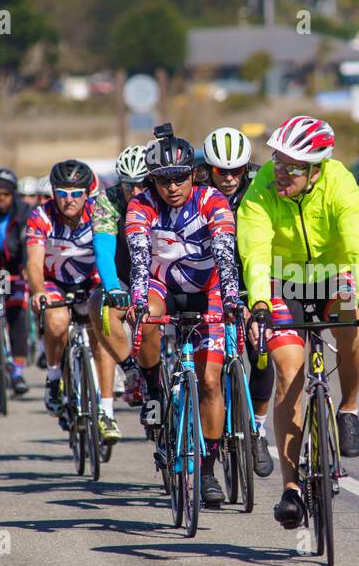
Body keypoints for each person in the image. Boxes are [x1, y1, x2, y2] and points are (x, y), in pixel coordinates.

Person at [238, 115, 359, 530]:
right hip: (284, 279)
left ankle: (349, 409)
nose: (280, 172)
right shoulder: (263, 188)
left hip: (333, 274)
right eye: (278, 162)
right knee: (288, 370)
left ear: (317, 169)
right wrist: (260, 302)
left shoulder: (340, 185)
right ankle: (291, 490)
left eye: (293, 167)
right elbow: (256, 251)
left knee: (352, 318)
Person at [123, 127, 242, 508]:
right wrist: (138, 299)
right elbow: (139, 259)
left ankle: (206, 473)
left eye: (179, 177)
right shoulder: (141, 205)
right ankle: (154, 387)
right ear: (152, 180)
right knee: (144, 316)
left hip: (207, 287)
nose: (172, 186)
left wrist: (229, 301)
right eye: (162, 179)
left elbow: (225, 255)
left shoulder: (213, 201)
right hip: (161, 286)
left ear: (193, 173)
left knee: (209, 381)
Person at [198, 126, 272, 477]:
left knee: (261, 347)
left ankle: (258, 428)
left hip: (251, 270)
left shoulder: (261, 182)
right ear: (207, 168)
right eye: (220, 171)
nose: (228, 178)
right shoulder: (193, 184)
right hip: (208, 275)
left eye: (236, 170)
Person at [24, 160, 101, 425]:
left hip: (91, 279)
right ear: (54, 192)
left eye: (76, 193)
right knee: (57, 323)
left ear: (87, 193)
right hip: (54, 280)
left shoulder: (99, 213)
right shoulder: (41, 216)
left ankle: (103, 400)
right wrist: (38, 291)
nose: (69, 200)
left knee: (101, 324)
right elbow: (33, 262)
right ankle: (54, 377)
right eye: (63, 193)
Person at [90, 144, 151, 434]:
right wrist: (113, 287)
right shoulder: (109, 200)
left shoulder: (163, 195)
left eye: (143, 184)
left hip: (160, 274)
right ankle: (130, 368)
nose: (137, 192)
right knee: (99, 305)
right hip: (125, 272)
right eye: (130, 186)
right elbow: (103, 248)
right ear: (120, 183)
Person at [0, 167, 32, 396]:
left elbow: (28, 245)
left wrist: (26, 269)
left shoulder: (24, 212)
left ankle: (17, 371)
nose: (1, 199)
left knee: (18, 315)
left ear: (13, 194)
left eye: (6, 195)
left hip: (15, 269)